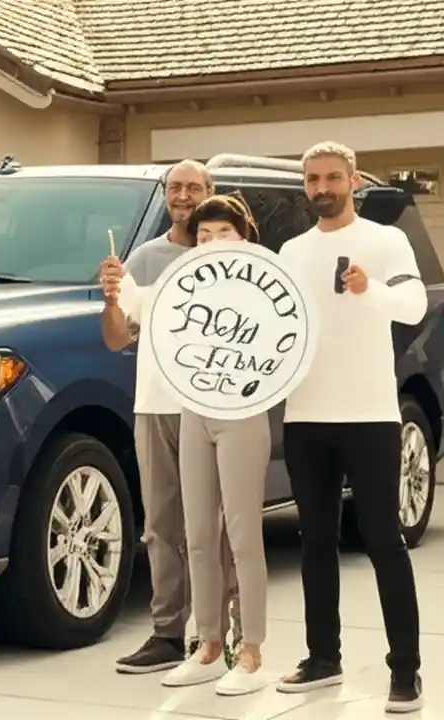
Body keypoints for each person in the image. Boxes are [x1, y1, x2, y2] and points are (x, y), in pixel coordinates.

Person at [274, 141, 426, 713]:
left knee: (384, 541)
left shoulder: (386, 241)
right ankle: (322, 658)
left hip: (369, 414)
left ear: (354, 180)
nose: (322, 188)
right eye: (313, 179)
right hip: (306, 414)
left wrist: (371, 291)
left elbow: (412, 306)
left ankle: (406, 671)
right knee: (315, 542)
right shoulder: (290, 250)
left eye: (333, 178)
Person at [98, 160, 242, 675]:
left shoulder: (237, 258)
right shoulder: (145, 257)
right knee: (161, 525)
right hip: (157, 405)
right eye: (175, 187)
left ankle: (226, 633)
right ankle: (167, 633)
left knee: (219, 526)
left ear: (211, 192)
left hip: (216, 408)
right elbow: (117, 337)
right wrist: (112, 297)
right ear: (166, 195)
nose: (184, 195)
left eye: (194, 188)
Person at [158, 195, 272, 696]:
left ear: (243, 234)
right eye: (203, 236)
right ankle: (207, 644)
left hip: (243, 412)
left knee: (244, 535)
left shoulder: (265, 281)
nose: (211, 243)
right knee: (198, 532)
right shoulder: (186, 287)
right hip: (193, 408)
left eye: (222, 233)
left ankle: (251, 650)